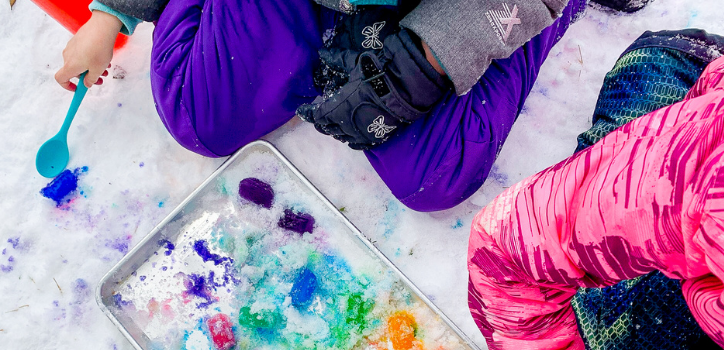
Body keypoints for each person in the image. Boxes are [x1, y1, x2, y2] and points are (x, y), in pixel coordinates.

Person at [54, 0, 646, 213]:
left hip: (436, 12)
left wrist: (419, 67)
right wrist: (112, 13)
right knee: (198, 115)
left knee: (435, 176)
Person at [466, 30, 724, 350]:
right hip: (689, 147)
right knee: (595, 347)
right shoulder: (710, 189)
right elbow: (507, 249)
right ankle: (657, 94)